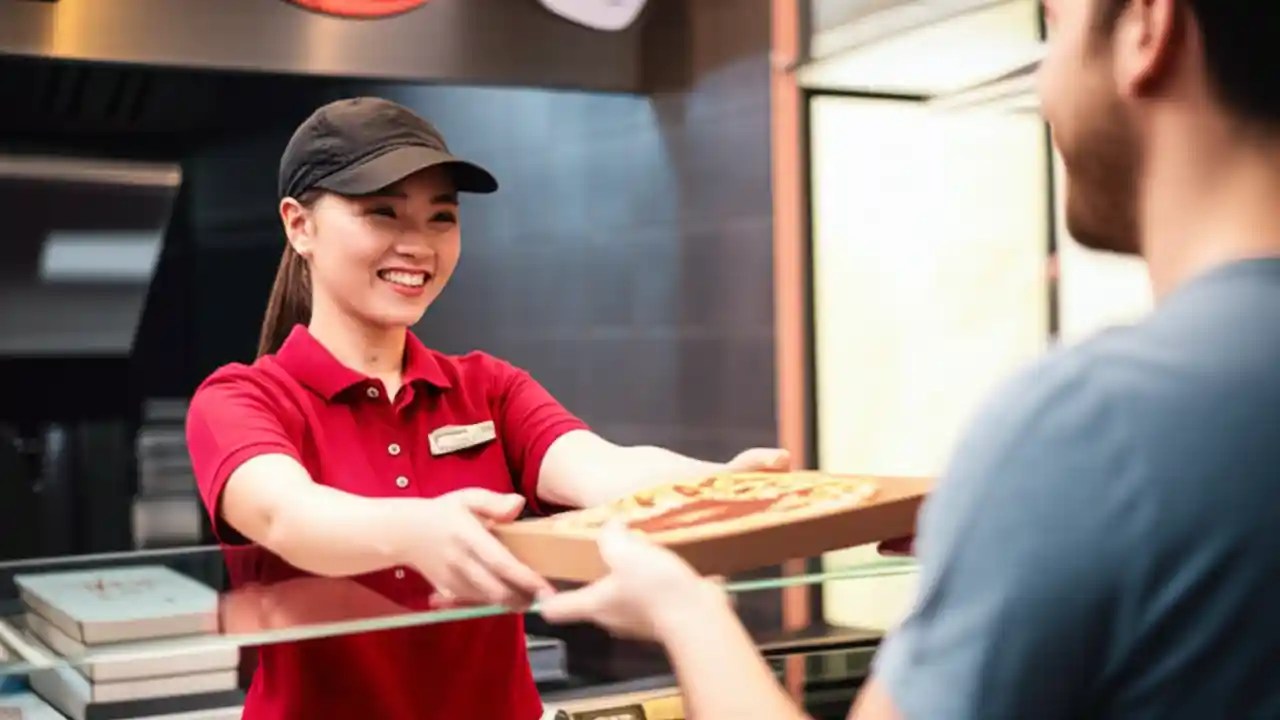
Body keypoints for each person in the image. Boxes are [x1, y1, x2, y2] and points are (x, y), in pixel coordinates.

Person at [540, 0, 1280, 718]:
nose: (1045, 84)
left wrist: (684, 609)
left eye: (1053, 26)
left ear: (1148, 28)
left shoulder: (1090, 423)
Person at [184, 96, 790, 720]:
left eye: (441, 218)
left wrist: (715, 482)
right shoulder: (242, 398)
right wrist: (417, 531)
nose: (417, 245)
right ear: (299, 225)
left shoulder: (487, 388)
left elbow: (598, 467)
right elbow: (286, 515)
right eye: (382, 213)